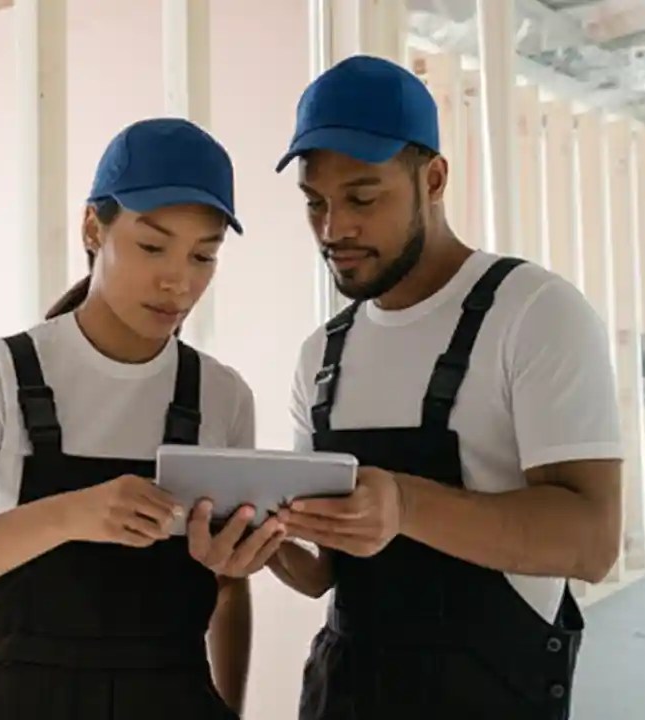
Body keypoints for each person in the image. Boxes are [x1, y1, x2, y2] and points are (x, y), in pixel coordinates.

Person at [0, 118, 286, 719]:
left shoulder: (223, 396)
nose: (178, 280)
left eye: (204, 255)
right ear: (94, 227)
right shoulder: (5, 373)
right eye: (152, 245)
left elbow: (225, 588)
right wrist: (68, 514)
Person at [267, 55, 625, 719]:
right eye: (316, 202)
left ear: (433, 178)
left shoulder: (534, 312)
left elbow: (593, 540)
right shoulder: (321, 354)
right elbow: (326, 570)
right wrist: (263, 547)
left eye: (363, 198)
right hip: (342, 696)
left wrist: (402, 502)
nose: (333, 228)